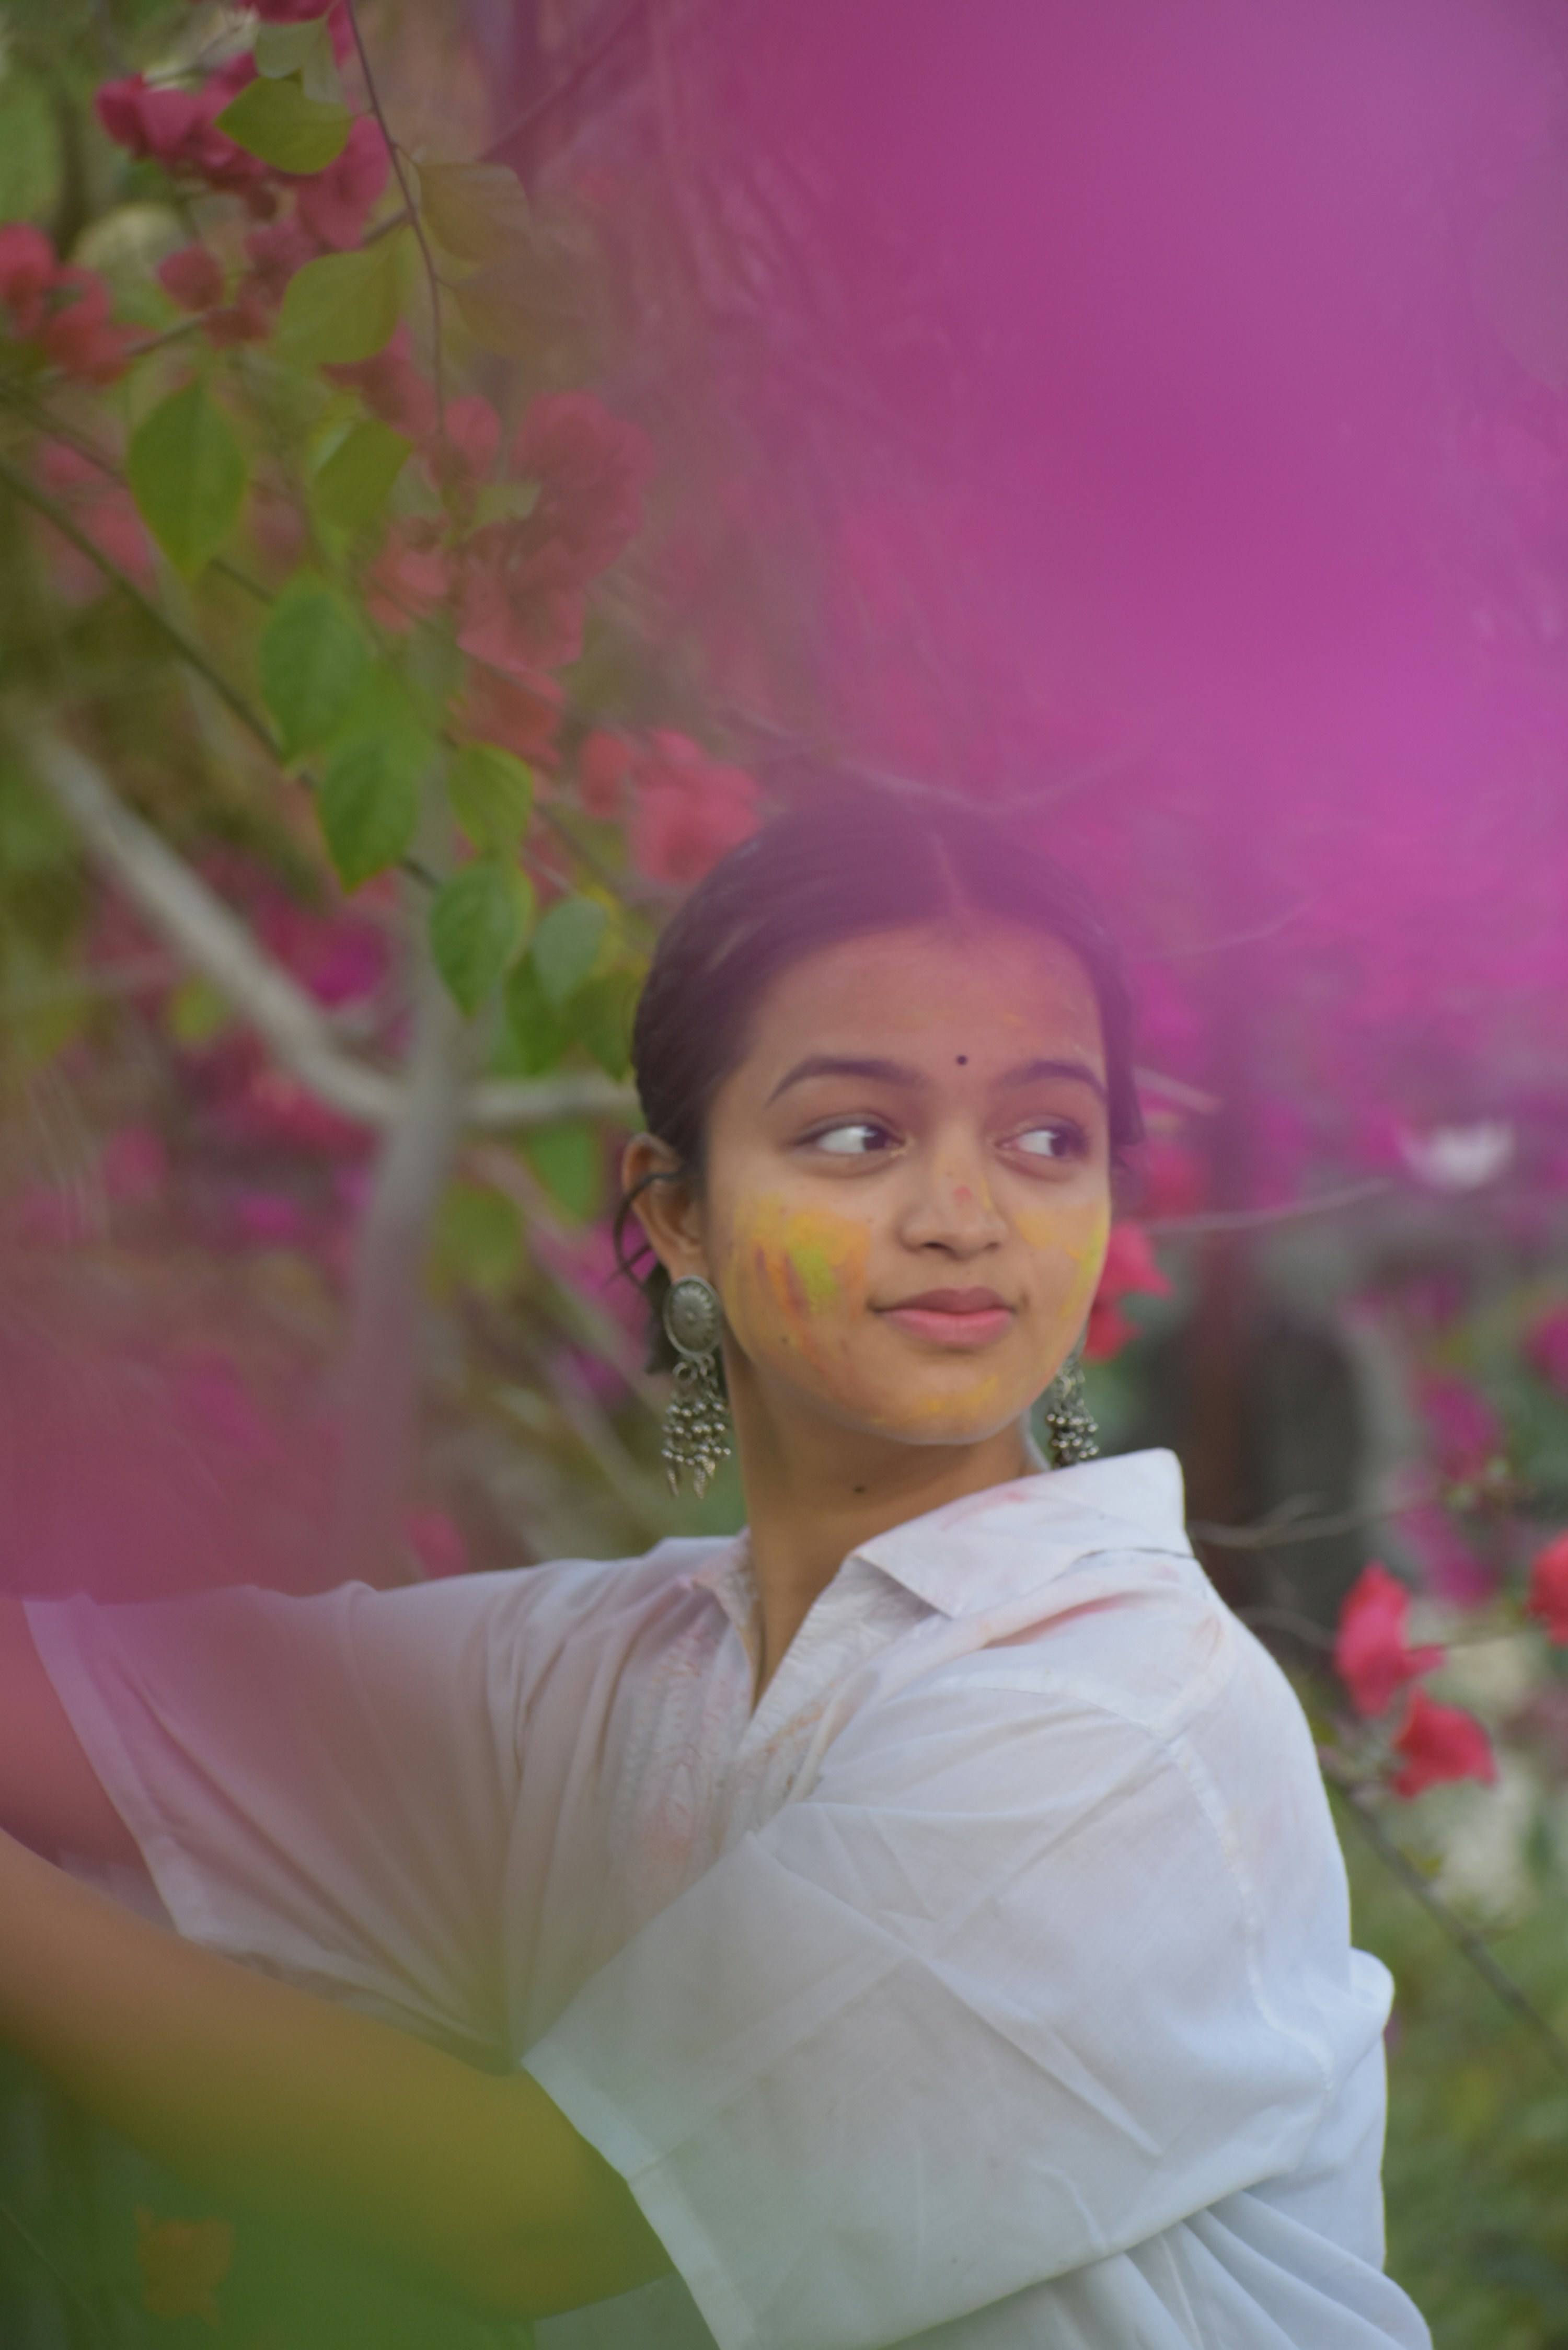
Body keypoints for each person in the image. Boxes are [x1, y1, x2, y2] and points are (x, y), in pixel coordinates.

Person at [0, 791, 1429, 2350]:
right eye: (857, 1134)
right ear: (679, 1210)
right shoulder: (632, 1665)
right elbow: (67, 1718)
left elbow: (533, 2214)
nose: (967, 1217)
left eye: (1045, 1137)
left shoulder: (1124, 1715)